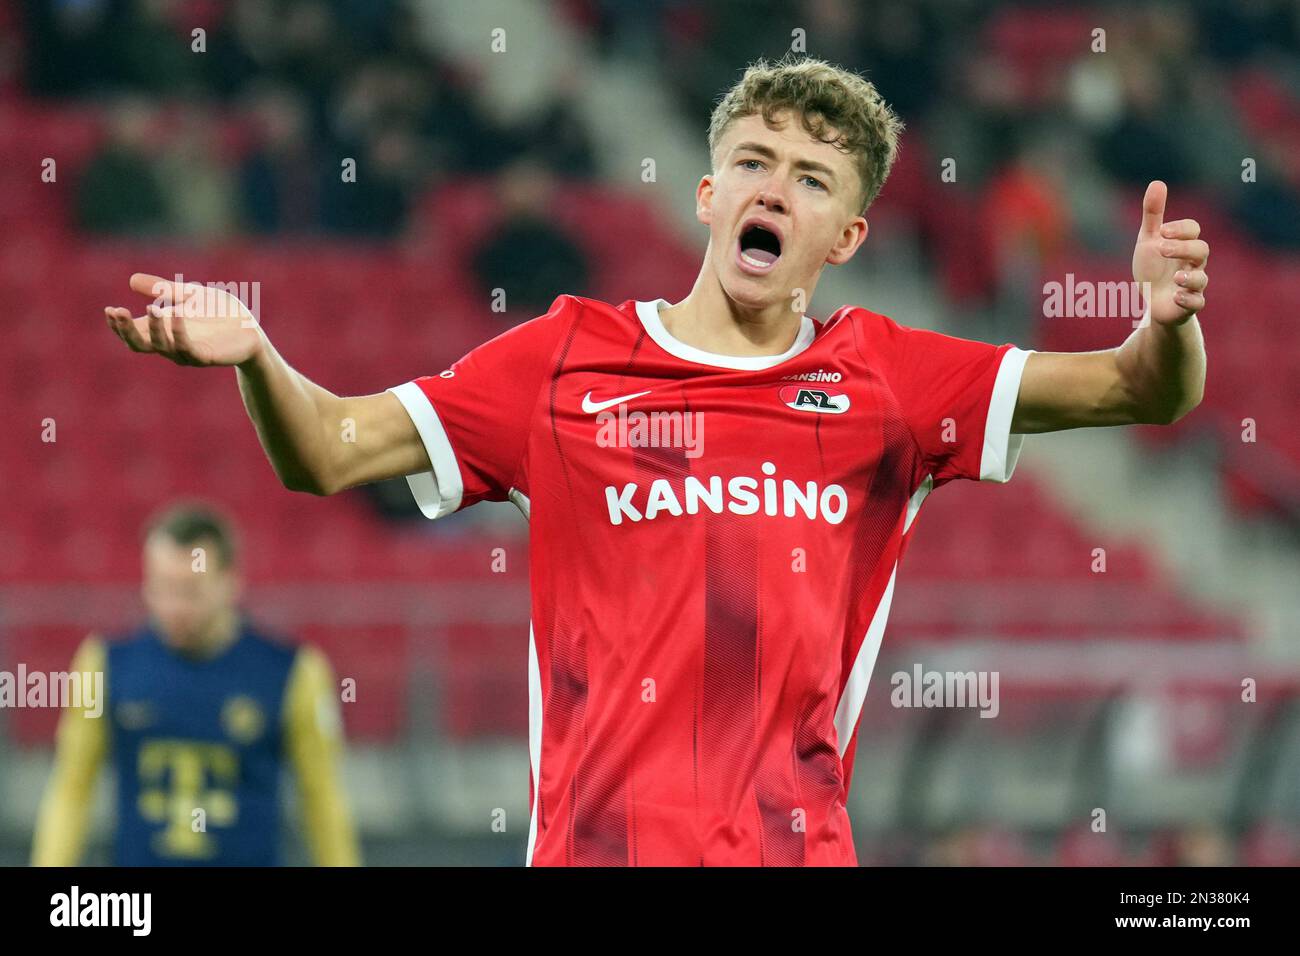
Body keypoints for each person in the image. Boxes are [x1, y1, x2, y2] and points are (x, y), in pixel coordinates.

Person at [98, 56, 1208, 866]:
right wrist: (258, 358)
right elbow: (330, 453)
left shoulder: (894, 381)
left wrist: (1164, 322)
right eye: (754, 164)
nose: (775, 189)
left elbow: (1138, 386)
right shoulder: (561, 359)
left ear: (849, 236)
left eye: (813, 180)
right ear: (708, 193)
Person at [32, 504, 360, 866]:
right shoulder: (102, 665)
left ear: (230, 581)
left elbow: (322, 801)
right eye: (162, 588)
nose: (174, 607)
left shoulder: (296, 672)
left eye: (189, 591)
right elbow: (71, 791)